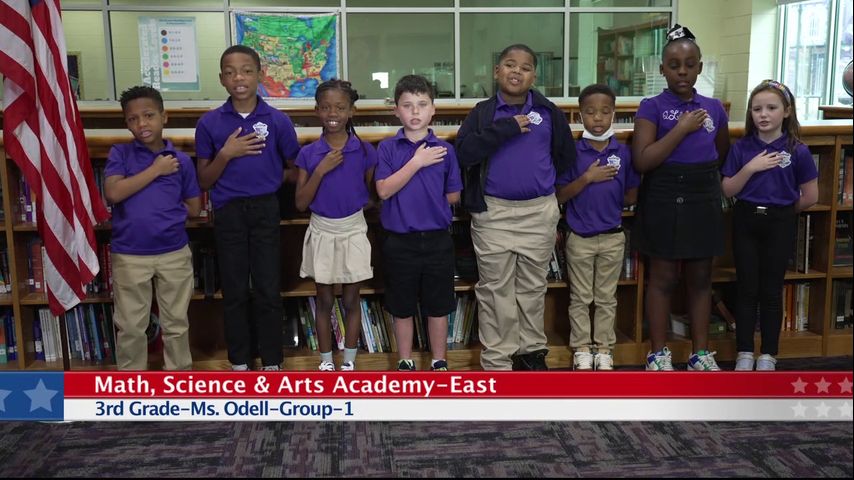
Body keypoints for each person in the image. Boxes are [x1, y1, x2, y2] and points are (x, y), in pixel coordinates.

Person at [456, 44, 576, 371]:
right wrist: (506, 129)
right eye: (510, 65)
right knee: (496, 290)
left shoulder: (549, 113)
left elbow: (565, 158)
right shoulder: (483, 113)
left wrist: (544, 191)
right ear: (497, 71)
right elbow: (464, 153)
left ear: (534, 76)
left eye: (525, 68)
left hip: (538, 212)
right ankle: (498, 360)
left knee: (532, 288)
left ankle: (531, 353)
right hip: (493, 213)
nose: (516, 72)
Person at [195, 45, 300, 371]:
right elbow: (204, 180)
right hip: (228, 212)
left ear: (260, 75)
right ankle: (239, 362)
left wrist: (272, 175)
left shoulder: (277, 120)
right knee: (235, 289)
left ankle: (272, 362)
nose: (238, 78)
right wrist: (226, 154)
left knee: (268, 288)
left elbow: (297, 169)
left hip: (266, 209)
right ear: (221, 79)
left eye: (246, 71)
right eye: (230, 73)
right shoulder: (210, 123)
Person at [631, 24, 730, 371]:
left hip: (702, 193)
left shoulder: (714, 108)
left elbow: (720, 153)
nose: (682, 72)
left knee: (700, 279)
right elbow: (643, 160)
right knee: (663, 278)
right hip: (664, 193)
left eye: (689, 65)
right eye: (674, 65)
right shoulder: (651, 106)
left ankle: (700, 353)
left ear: (700, 67)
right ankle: (658, 353)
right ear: (662, 69)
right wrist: (682, 129)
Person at [721, 79, 818, 371]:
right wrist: (751, 168)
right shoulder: (742, 148)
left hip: (780, 222)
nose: (763, 114)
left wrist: (783, 210)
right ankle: (744, 351)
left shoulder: (797, 150)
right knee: (747, 288)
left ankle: (768, 354)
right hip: (746, 219)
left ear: (786, 112)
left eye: (771, 108)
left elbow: (811, 196)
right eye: (757, 109)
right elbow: (727, 189)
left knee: (771, 290)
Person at [104, 85, 201, 370]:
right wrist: (156, 170)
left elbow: (194, 207)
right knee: (131, 326)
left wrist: (166, 215)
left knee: (176, 323)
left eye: (148, 115)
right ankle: (131, 383)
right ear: (126, 123)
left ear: (164, 117)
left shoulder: (181, 161)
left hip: (173, 252)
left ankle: (178, 378)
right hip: (129, 254)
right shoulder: (120, 154)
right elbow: (113, 193)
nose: (141, 124)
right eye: (133, 119)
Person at [375, 74, 462, 371]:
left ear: (433, 109)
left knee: (438, 305)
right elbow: (383, 190)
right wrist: (416, 162)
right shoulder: (387, 148)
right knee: (402, 306)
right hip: (400, 241)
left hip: (437, 239)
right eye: (407, 105)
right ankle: (405, 361)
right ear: (396, 110)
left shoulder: (446, 151)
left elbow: (453, 195)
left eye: (422, 104)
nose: (415, 111)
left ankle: (439, 361)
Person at [294, 79, 377, 372]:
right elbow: (301, 203)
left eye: (340, 107)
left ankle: (349, 362)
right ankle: (326, 361)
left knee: (352, 299)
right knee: (325, 299)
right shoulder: (308, 154)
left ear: (352, 111)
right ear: (317, 110)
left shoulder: (365, 151)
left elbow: (370, 193)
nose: (333, 113)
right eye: (326, 107)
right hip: (322, 230)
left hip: (353, 228)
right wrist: (321, 170)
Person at [555, 84, 639, 371]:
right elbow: (560, 195)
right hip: (579, 237)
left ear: (614, 114)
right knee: (580, 297)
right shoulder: (572, 152)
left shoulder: (623, 152)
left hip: (613, 236)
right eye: (590, 112)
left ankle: (604, 348)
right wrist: (588, 178)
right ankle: (581, 347)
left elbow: (631, 194)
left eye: (605, 112)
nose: (598, 118)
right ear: (580, 116)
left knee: (606, 298)